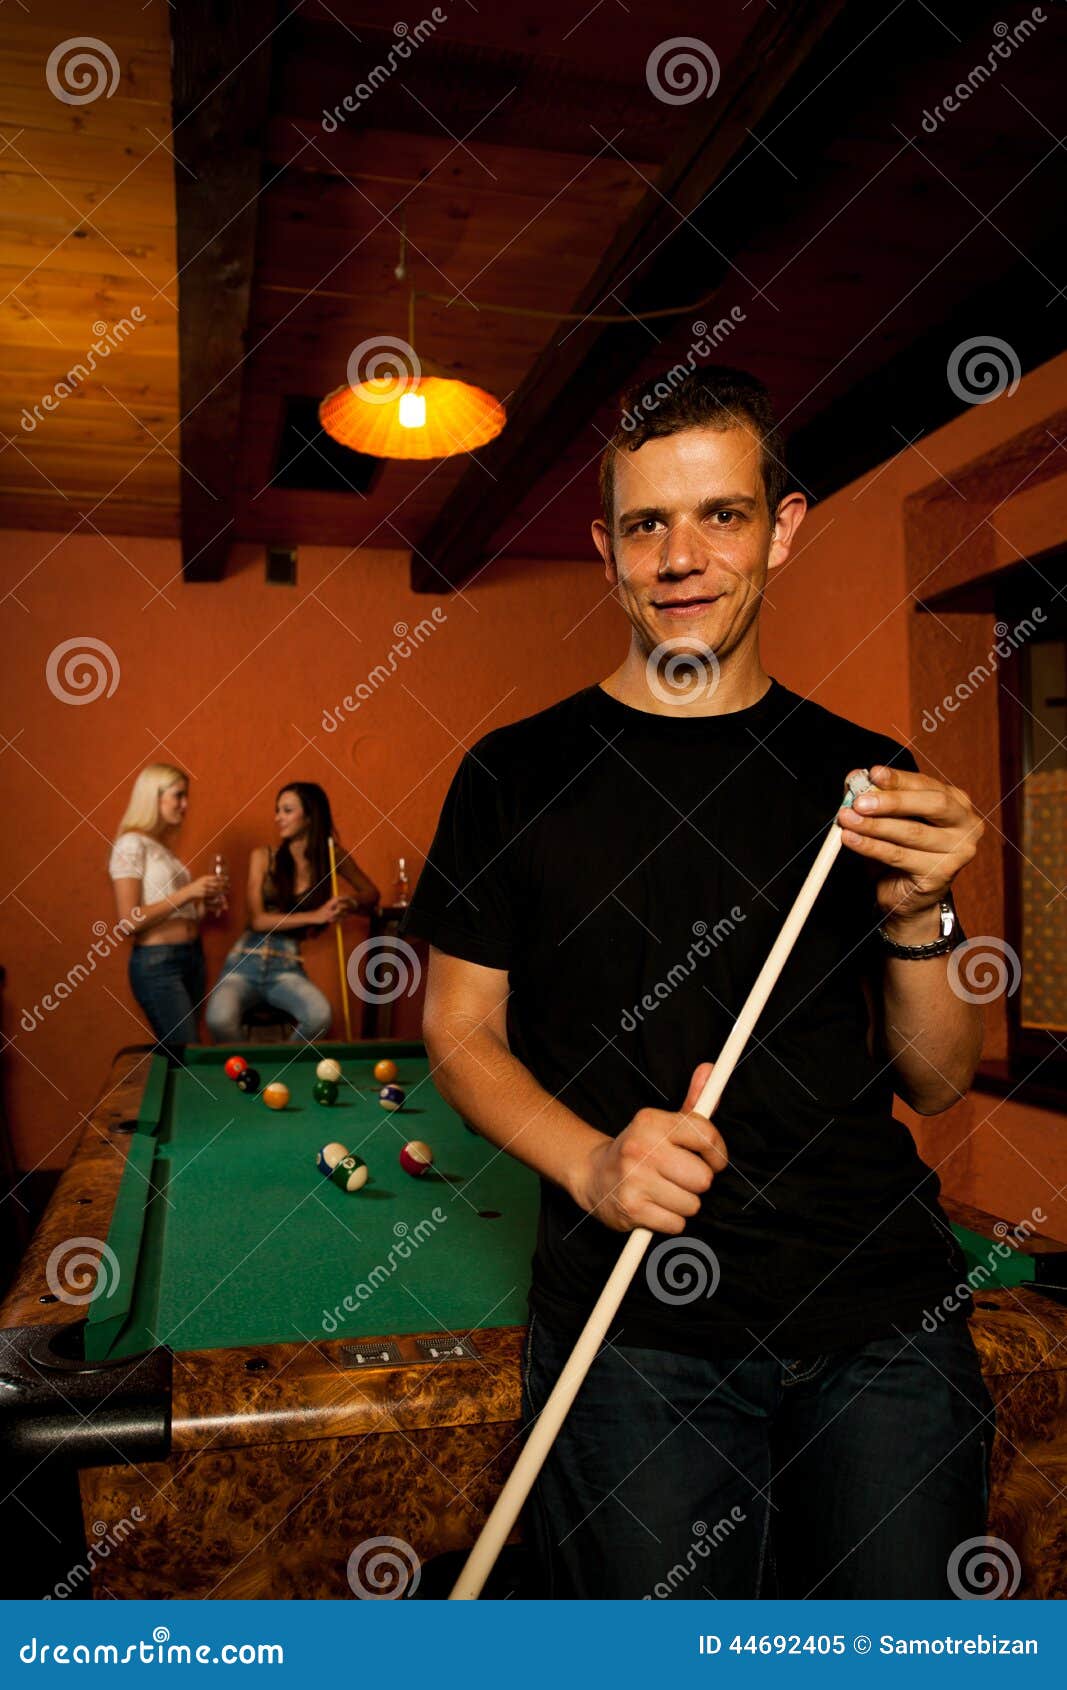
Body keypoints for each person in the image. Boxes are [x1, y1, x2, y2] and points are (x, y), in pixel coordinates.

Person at [403, 365, 993, 1600]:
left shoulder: (864, 779)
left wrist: (917, 910)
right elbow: (457, 1031)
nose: (681, 556)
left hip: (878, 1318)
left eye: (720, 514)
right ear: (604, 549)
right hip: (637, 1343)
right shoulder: (513, 775)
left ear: (781, 527)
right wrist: (591, 1165)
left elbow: (936, 1080)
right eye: (644, 524)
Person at [205, 782, 378, 1044]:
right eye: (277, 810)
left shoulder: (331, 857)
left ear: (309, 816)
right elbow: (258, 920)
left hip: (286, 966)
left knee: (320, 1016)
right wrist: (316, 915)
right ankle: (251, 1071)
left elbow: (371, 894)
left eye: (287, 810)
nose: (278, 818)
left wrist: (349, 903)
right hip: (244, 961)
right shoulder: (264, 856)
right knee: (219, 1019)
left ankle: (280, 1071)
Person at [109, 764, 225, 1058]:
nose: (185, 805)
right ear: (154, 796)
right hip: (159, 965)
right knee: (188, 1053)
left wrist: (201, 906)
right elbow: (128, 920)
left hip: (192, 958)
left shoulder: (162, 848)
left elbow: (177, 913)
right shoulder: (130, 844)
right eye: (178, 796)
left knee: (186, 1053)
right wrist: (189, 891)